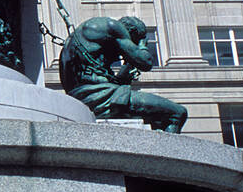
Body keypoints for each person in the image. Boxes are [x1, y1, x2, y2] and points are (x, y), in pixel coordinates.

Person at [58, 16, 187, 132]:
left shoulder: (83, 39)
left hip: (88, 96)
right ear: (130, 34)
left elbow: (95, 77)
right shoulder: (113, 27)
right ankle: (162, 158)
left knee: (156, 117)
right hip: (100, 97)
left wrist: (123, 76)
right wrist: (141, 44)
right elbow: (146, 62)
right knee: (177, 113)